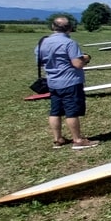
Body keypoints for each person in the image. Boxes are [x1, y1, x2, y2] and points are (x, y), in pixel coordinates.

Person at [37, 17, 98, 150]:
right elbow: (77, 64)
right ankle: (78, 140)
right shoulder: (69, 43)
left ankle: (58, 138)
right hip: (70, 82)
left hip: (52, 82)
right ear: (70, 28)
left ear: (53, 27)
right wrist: (86, 58)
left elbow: (41, 60)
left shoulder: (43, 42)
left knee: (55, 111)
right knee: (72, 112)